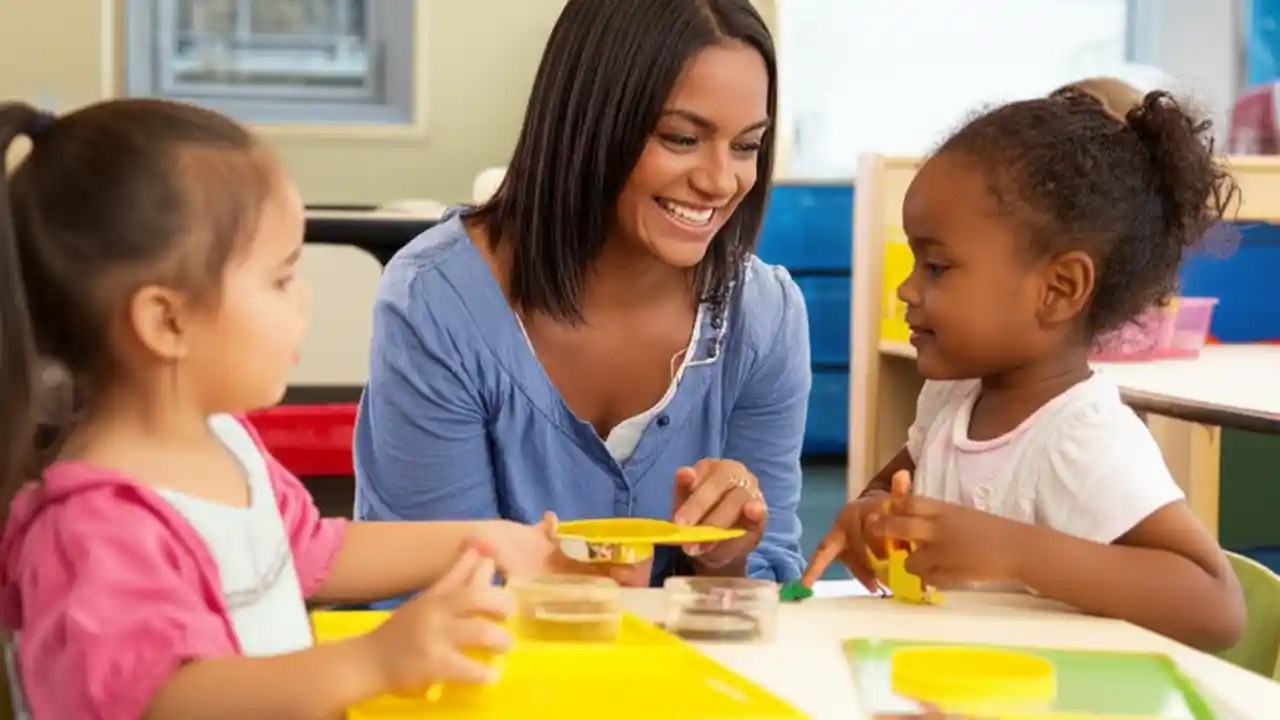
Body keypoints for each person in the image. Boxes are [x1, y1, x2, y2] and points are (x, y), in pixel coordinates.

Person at [0, 99, 578, 720]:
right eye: (280, 279)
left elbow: (307, 551)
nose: (303, 298)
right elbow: (161, 700)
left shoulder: (224, 442)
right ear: (166, 320)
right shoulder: (94, 526)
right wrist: (371, 661)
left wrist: (486, 539)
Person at [354, 0, 808, 586]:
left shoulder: (764, 320)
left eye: (746, 146)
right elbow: (428, 589)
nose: (721, 181)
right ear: (590, 121)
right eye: (681, 138)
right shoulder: (437, 302)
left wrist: (727, 558)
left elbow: (770, 587)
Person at [803, 88, 1247, 651]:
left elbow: (1216, 604)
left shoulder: (1081, 438)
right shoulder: (953, 400)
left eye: (936, 267)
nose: (906, 288)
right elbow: (889, 491)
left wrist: (1013, 549)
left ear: (1060, 289)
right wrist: (871, 517)